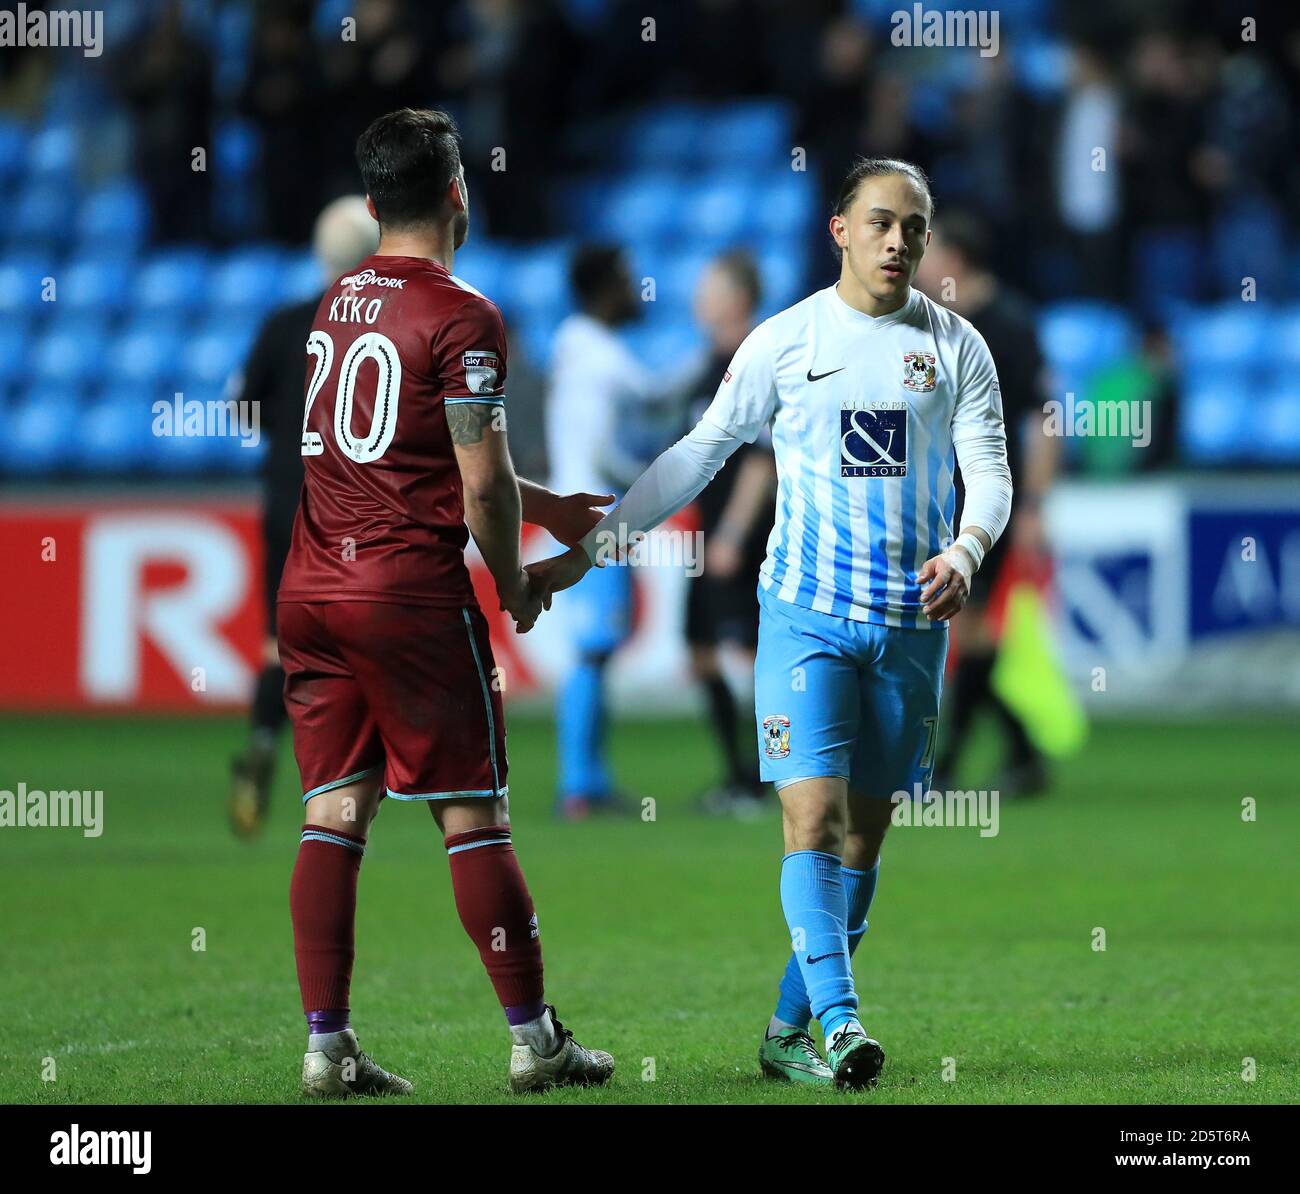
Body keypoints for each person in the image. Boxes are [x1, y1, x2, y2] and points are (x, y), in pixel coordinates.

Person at [529, 159, 1012, 1090]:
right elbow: (698, 454)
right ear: (840, 229)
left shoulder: (958, 347)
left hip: (912, 627)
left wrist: (967, 551)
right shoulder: (785, 341)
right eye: (879, 222)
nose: (898, 242)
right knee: (812, 821)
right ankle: (839, 1023)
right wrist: (587, 552)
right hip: (806, 617)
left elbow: (987, 468)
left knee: (863, 844)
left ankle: (787, 1031)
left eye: (913, 227)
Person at [277, 107, 614, 1097]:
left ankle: (325, 1047)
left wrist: (549, 511)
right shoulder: (463, 314)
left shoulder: (337, 301)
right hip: (405, 598)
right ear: (459, 194)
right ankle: (532, 1039)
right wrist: (517, 582)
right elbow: (475, 486)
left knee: (336, 809)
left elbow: (404, 455)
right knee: (474, 813)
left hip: (311, 590)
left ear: (374, 202)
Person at [229, 195, 380, 839]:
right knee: (361, 631)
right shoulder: (380, 329)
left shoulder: (285, 323)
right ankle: (351, 773)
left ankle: (263, 742)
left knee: (279, 639)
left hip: (285, 497)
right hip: (353, 502)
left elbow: (241, 410)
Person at [915, 210, 1058, 795]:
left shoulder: (1010, 325)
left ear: (955, 261)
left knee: (967, 630)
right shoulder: (934, 324)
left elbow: (1045, 418)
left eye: (928, 251)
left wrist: (1032, 506)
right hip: (940, 501)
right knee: (968, 638)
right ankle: (1022, 751)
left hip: (991, 502)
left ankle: (944, 766)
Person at [545, 244, 653, 818]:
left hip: (589, 520)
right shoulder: (595, 357)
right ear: (606, 288)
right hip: (594, 523)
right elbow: (601, 450)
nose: (638, 288)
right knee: (590, 653)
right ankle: (579, 786)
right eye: (628, 278)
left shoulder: (585, 350)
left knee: (599, 652)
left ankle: (589, 778)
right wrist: (656, 482)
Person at [677, 250, 776, 817]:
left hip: (742, 539)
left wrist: (734, 535)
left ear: (738, 299)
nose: (699, 298)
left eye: (710, 288)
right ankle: (740, 775)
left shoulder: (754, 362)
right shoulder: (703, 368)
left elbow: (763, 461)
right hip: (707, 535)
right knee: (701, 652)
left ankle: (769, 776)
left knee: (757, 655)